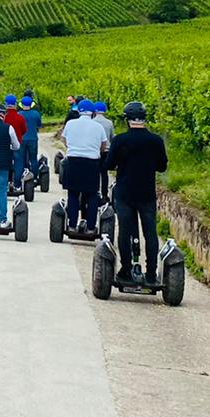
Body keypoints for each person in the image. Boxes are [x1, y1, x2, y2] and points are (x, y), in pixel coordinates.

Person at [106, 101, 169, 287]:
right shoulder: (156, 141)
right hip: (146, 193)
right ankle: (150, 274)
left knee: (124, 231)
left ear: (127, 120)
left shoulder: (120, 140)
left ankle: (126, 270)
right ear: (144, 118)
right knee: (150, 233)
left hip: (125, 192)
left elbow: (109, 165)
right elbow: (162, 166)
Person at [61, 99, 106, 232]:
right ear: (92, 112)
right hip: (91, 163)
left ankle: (72, 225)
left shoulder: (70, 124)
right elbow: (103, 146)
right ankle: (91, 227)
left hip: (74, 161)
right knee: (92, 195)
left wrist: (73, 147)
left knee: (73, 194)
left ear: (78, 111)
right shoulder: (98, 127)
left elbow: (64, 139)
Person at [94, 101, 116, 202]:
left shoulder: (92, 122)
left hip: (94, 151)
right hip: (106, 151)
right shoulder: (109, 123)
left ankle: (95, 192)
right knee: (104, 173)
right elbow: (112, 138)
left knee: (94, 173)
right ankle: (104, 195)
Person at [3, 94, 27, 183]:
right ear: (15, 104)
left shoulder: (3, 117)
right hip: (17, 144)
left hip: (5, 145)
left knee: (5, 163)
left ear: (5, 104)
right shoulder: (20, 117)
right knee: (18, 163)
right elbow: (24, 130)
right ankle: (17, 183)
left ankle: (6, 181)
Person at [20, 93, 42, 183]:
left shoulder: (19, 114)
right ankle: (35, 176)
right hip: (33, 138)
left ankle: (22, 174)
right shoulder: (36, 114)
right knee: (33, 158)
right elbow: (39, 125)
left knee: (21, 158)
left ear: (22, 104)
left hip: (21, 139)